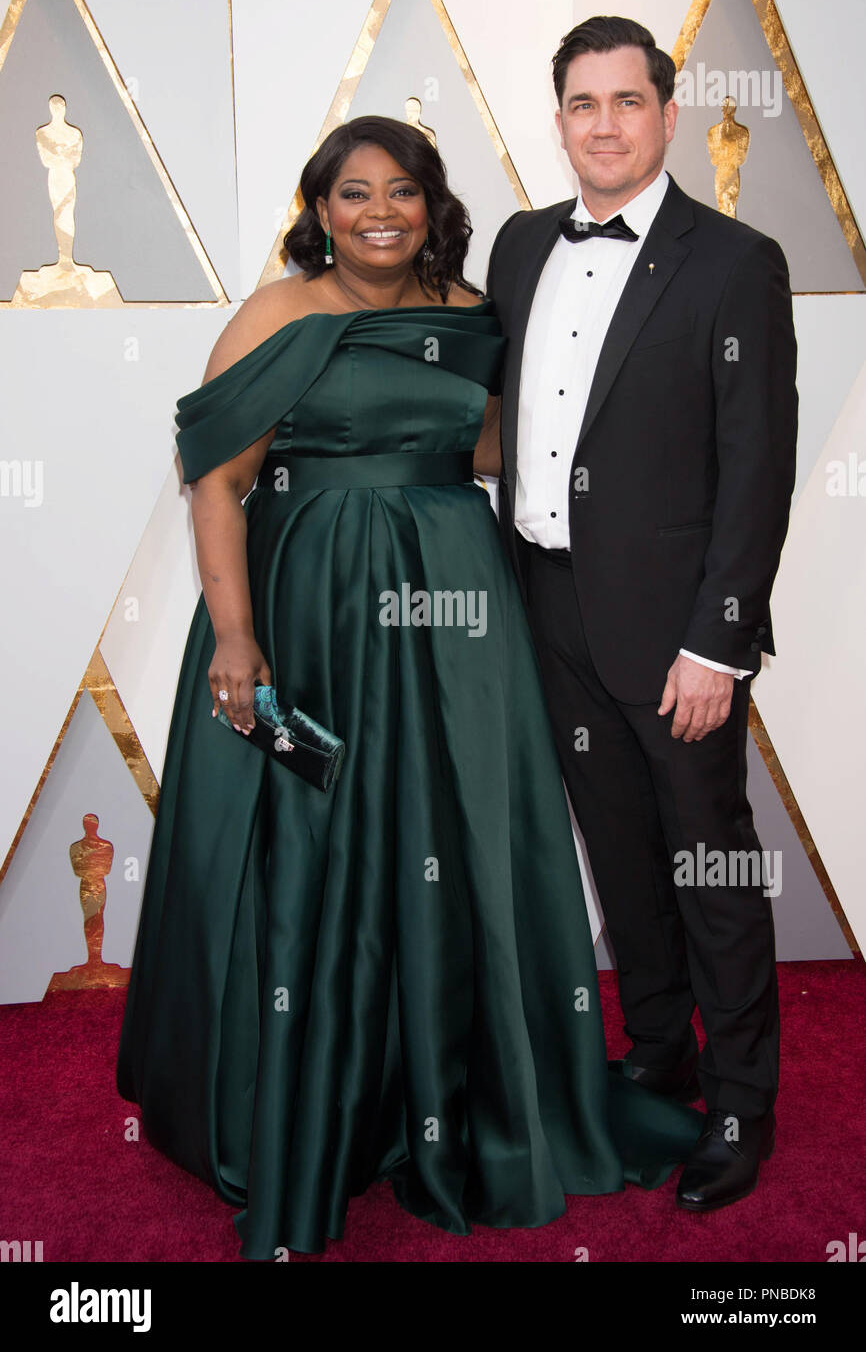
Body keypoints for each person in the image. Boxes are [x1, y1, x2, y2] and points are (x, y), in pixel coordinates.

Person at [116, 115, 701, 1260]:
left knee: (457, 839)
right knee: (317, 851)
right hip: (313, 610)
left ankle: (455, 1096)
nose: (378, 212)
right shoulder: (279, 314)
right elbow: (217, 481)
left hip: (455, 613)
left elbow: (491, 449)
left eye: (401, 192)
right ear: (319, 210)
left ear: (433, 204)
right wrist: (236, 636)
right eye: (352, 194)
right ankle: (313, 1112)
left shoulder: (472, 315)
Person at [486, 17, 798, 1212]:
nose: (603, 124)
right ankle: (657, 1043)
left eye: (626, 102)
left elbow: (753, 465)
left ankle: (738, 1102)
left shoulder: (732, 260)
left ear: (667, 114)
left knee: (707, 862)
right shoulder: (519, 245)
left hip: (676, 631)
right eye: (581, 103)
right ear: (557, 117)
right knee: (619, 852)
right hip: (547, 604)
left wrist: (718, 636)